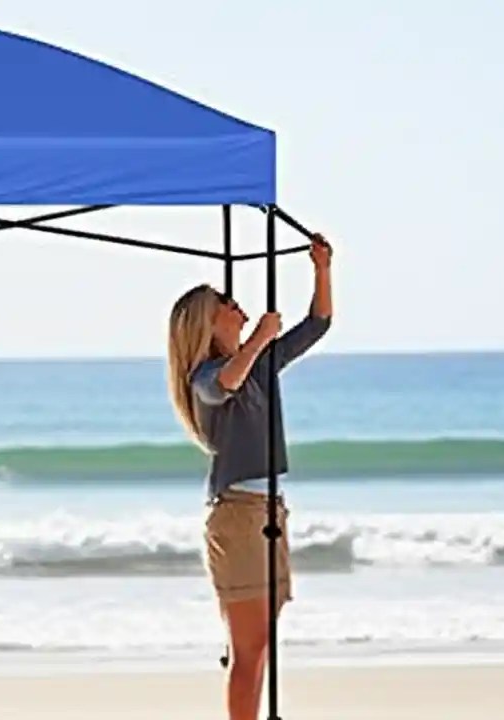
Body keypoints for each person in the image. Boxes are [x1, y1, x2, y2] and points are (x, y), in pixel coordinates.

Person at [166, 233, 333, 720]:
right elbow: (224, 384)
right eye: (227, 303)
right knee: (251, 648)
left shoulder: (259, 365)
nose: (238, 306)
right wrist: (259, 337)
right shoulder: (205, 374)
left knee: (262, 641)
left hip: (268, 511)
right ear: (207, 322)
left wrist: (321, 269)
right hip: (238, 514)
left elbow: (318, 325)